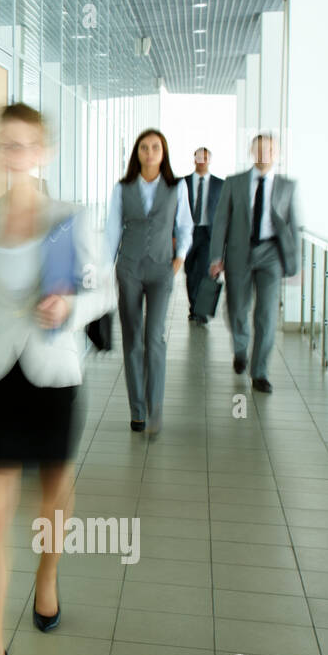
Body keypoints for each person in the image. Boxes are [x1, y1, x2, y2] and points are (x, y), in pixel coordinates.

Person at [0, 102, 116, 655]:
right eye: (4, 144)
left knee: (54, 493)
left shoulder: (70, 219)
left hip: (51, 372)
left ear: (43, 151)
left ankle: (47, 576)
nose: (13, 154)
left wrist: (69, 308)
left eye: (24, 144)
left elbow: (106, 289)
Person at [105, 128, 193, 436]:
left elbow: (185, 226)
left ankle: (155, 409)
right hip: (128, 268)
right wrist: (106, 267)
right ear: (137, 153)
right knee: (132, 339)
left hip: (160, 270)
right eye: (144, 147)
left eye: (155, 147)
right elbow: (112, 228)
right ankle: (137, 411)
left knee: (154, 338)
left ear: (163, 152)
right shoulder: (123, 188)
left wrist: (178, 260)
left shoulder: (176, 187)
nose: (150, 152)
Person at [208, 132, 300, 394]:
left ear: (276, 154)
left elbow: (294, 227)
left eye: (269, 150)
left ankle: (259, 371)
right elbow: (221, 222)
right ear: (251, 152)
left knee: (267, 314)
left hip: (271, 254)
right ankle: (240, 349)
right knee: (237, 308)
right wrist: (217, 257)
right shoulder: (234, 182)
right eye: (259, 149)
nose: (264, 155)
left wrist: (295, 265)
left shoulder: (287, 186)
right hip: (239, 252)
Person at [181, 147, 224, 324]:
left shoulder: (219, 184)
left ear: (209, 160)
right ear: (194, 159)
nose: (202, 160)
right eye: (199, 157)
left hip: (208, 233)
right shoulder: (182, 182)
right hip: (189, 231)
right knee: (190, 271)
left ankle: (202, 311)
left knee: (204, 271)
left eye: (205, 157)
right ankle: (194, 307)